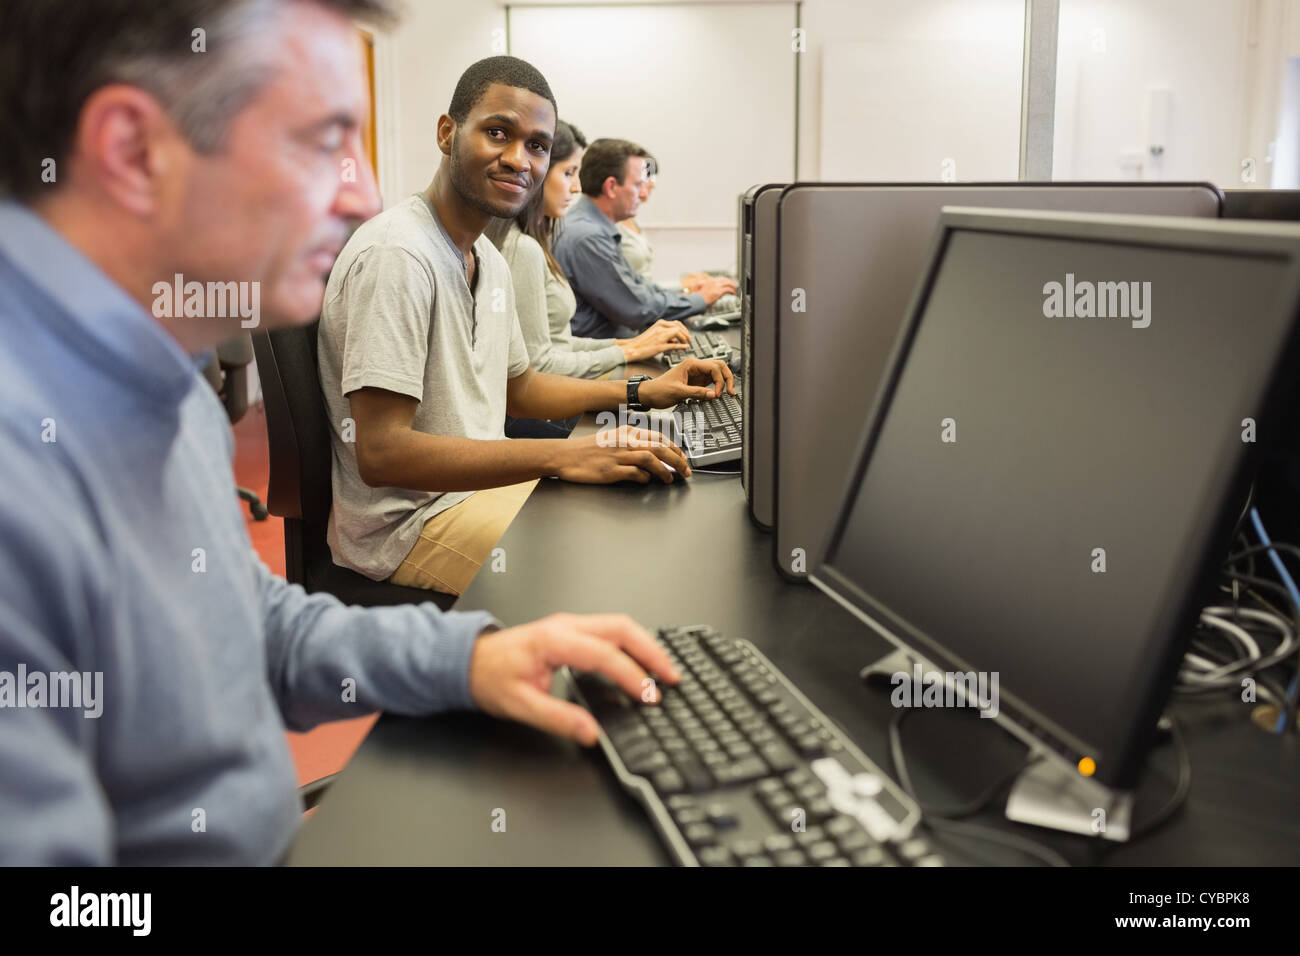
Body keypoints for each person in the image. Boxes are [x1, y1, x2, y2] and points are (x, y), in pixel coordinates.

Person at [0, 0, 681, 864]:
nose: (360, 191)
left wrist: (465, 660)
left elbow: (254, 629)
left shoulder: (164, 391)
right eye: (320, 141)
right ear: (134, 150)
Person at [318, 57, 735, 598]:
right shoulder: (398, 255)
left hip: (474, 492)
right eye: (498, 133)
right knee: (610, 571)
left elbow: (521, 387)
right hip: (408, 527)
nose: (519, 159)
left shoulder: (484, 257)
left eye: (538, 146)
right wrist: (567, 454)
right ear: (448, 133)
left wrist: (642, 390)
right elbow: (383, 453)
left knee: (643, 519)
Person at [485, 121, 690, 439]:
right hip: (535, 414)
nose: (577, 188)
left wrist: (628, 345)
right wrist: (626, 353)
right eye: (568, 174)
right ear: (538, 171)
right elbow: (540, 366)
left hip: (549, 395)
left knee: (663, 398)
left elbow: (557, 343)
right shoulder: (522, 249)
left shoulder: (535, 238)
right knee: (669, 422)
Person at [554, 138, 736, 340]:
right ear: (611, 187)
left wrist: (687, 295)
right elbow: (638, 309)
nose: (643, 194)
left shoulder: (595, 227)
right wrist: (701, 299)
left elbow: (640, 288)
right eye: (638, 184)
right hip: (601, 357)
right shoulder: (588, 237)